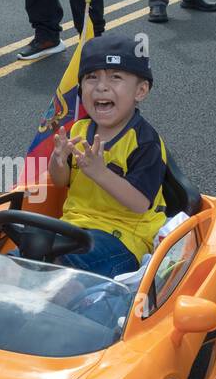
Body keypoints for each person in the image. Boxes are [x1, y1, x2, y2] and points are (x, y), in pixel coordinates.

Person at [47, 31, 168, 279]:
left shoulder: (144, 142)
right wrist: (58, 160)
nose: (101, 86)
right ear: (81, 88)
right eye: (92, 78)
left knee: (64, 273)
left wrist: (100, 173)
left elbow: (139, 203)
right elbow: (60, 181)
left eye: (115, 78)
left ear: (141, 90)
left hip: (124, 238)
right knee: (21, 256)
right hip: (72, 227)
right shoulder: (78, 130)